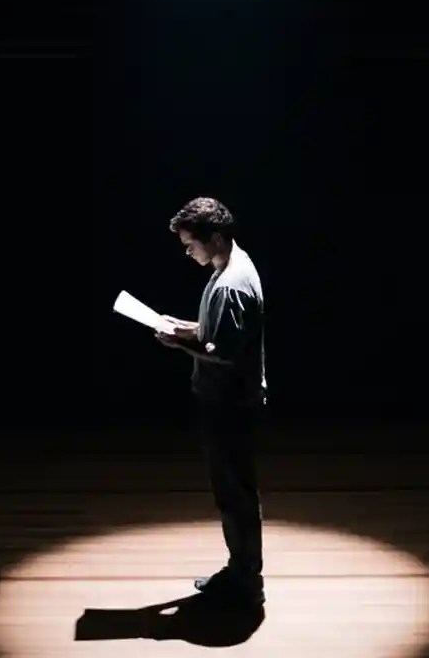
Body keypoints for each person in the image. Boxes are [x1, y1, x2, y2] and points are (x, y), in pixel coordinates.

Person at [155, 196, 267, 607]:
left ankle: (245, 582)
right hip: (231, 401)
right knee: (236, 494)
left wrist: (178, 343)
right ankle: (240, 573)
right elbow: (216, 331)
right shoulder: (231, 267)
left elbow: (223, 350)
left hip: (229, 404)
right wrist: (183, 327)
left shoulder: (231, 284)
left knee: (235, 495)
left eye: (191, 244)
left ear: (215, 237)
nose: (188, 252)